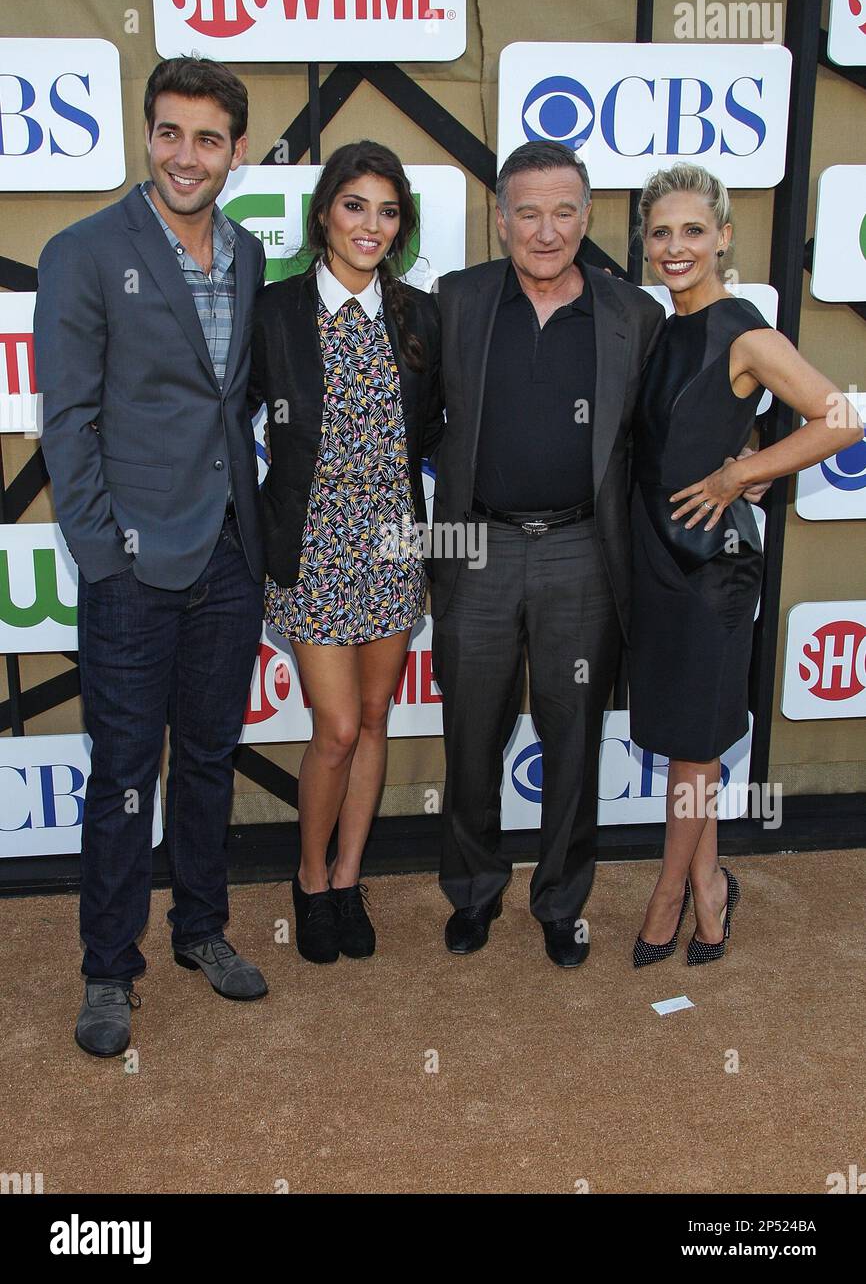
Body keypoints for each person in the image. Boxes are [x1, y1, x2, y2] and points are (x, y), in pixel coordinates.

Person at [34, 57, 268, 1058]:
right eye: (169, 133)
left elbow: (234, 404)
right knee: (126, 768)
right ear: (146, 135)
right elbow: (67, 420)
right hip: (132, 561)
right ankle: (106, 968)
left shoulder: (251, 254)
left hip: (227, 553)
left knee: (210, 756)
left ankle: (201, 929)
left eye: (207, 139)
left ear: (235, 153)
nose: (186, 155)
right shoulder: (83, 251)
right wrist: (102, 552)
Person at [430, 140, 666, 967]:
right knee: (470, 735)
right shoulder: (455, 301)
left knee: (573, 739)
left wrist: (738, 474)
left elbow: (661, 437)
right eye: (526, 211)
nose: (545, 229)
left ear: (588, 215)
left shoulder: (634, 313)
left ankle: (562, 902)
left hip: (581, 556)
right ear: (500, 220)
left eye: (563, 210)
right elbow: (422, 424)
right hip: (477, 545)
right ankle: (472, 892)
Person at [629, 162, 864, 968]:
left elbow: (840, 418)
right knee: (686, 743)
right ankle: (708, 893)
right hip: (656, 565)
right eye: (661, 232)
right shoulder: (662, 329)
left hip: (712, 573)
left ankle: (668, 896)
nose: (675, 246)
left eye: (693, 230)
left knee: (694, 746)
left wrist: (742, 475)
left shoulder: (746, 332)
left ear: (725, 237)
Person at [250, 141, 442, 964]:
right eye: (355, 205)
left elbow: (439, 431)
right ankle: (308, 875)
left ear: (401, 227)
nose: (371, 224)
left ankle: (350, 875)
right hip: (312, 547)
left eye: (388, 210)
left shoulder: (420, 314)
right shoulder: (276, 311)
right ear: (324, 211)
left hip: (394, 545)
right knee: (332, 727)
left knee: (372, 718)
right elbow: (227, 420)